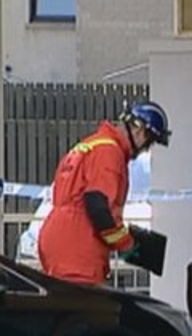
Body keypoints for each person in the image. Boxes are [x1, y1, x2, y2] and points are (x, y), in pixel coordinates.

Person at [39, 101, 171, 285]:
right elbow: (99, 209)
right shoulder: (110, 153)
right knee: (86, 310)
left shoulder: (92, 144)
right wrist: (129, 245)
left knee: (66, 308)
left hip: (60, 239)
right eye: (149, 143)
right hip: (78, 248)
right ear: (140, 132)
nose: (145, 150)